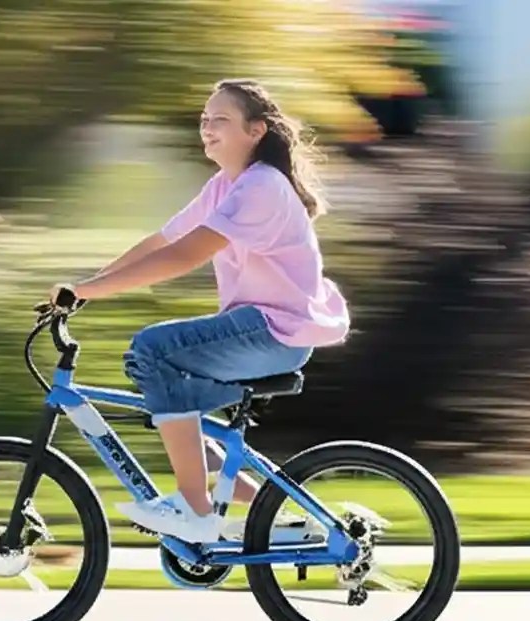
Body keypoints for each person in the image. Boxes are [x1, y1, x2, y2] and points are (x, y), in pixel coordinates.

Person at [49, 78, 350, 545]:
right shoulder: (225, 185)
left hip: (272, 332)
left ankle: (196, 511)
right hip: (263, 332)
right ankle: (274, 507)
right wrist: (85, 289)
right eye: (204, 120)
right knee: (161, 392)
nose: (207, 128)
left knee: (153, 351)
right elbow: (162, 241)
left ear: (256, 130)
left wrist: (94, 288)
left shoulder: (262, 188)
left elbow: (184, 256)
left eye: (220, 120)